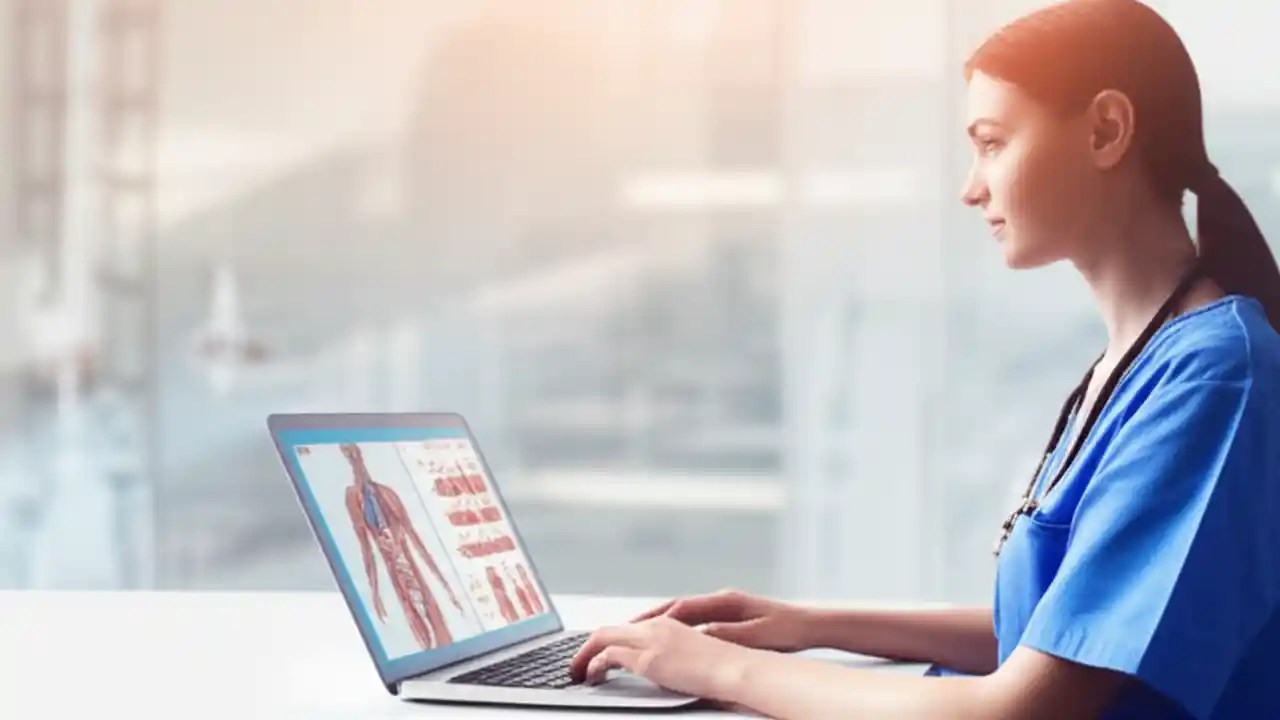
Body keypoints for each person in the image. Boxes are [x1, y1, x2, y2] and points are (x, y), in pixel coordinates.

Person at [568, 2, 1280, 717]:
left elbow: (1023, 707)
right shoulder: (1142, 361)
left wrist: (715, 669)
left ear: (1106, 130)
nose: (972, 187)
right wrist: (807, 624)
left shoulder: (1214, 376)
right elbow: (1055, 640)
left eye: (993, 143)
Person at [341, 443, 465, 650]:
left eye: (355, 453)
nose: (355, 459)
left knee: (433, 618)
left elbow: (416, 540)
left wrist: (445, 585)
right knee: (415, 618)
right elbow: (366, 549)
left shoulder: (387, 493)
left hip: (408, 564)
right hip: (395, 572)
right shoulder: (353, 497)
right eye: (349, 455)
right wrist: (375, 592)